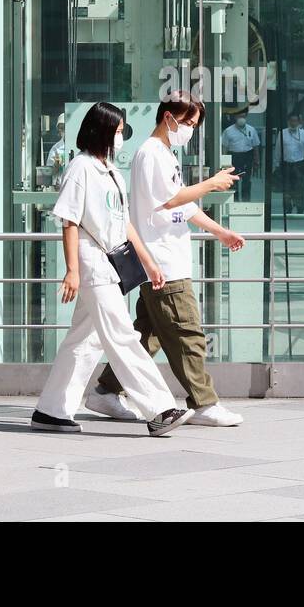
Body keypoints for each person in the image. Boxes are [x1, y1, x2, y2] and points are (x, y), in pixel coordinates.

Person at [32, 101, 195, 437]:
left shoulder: (110, 171)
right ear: (103, 130)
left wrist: (148, 261)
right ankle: (159, 407)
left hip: (108, 263)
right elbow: (69, 222)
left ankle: (51, 410)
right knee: (121, 335)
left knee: (84, 340)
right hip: (93, 265)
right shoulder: (80, 169)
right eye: (119, 131)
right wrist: (72, 271)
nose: (121, 138)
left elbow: (125, 224)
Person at [89, 91, 247, 427]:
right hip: (163, 263)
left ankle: (105, 392)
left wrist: (220, 231)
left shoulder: (163, 154)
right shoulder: (152, 154)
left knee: (148, 336)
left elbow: (183, 205)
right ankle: (204, 403)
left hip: (164, 262)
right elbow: (172, 200)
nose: (190, 129)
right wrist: (211, 184)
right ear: (168, 118)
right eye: (188, 123)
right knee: (187, 334)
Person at [273, 113, 304, 214]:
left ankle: (300, 208)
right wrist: (276, 164)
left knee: (300, 188)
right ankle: (288, 207)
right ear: (288, 121)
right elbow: (278, 150)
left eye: (295, 121)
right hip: (286, 164)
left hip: (299, 164)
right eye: (291, 120)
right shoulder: (282, 133)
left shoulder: (303, 134)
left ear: (298, 122)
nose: (293, 123)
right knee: (287, 188)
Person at [220, 113, 260, 200]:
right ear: (235, 117)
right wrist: (224, 162)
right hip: (234, 156)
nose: (241, 118)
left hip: (247, 155)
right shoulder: (228, 131)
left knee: (246, 180)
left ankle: (246, 199)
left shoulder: (251, 130)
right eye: (239, 116)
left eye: (243, 116)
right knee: (234, 179)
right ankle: (235, 199)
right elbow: (224, 147)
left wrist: (256, 160)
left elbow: (255, 146)